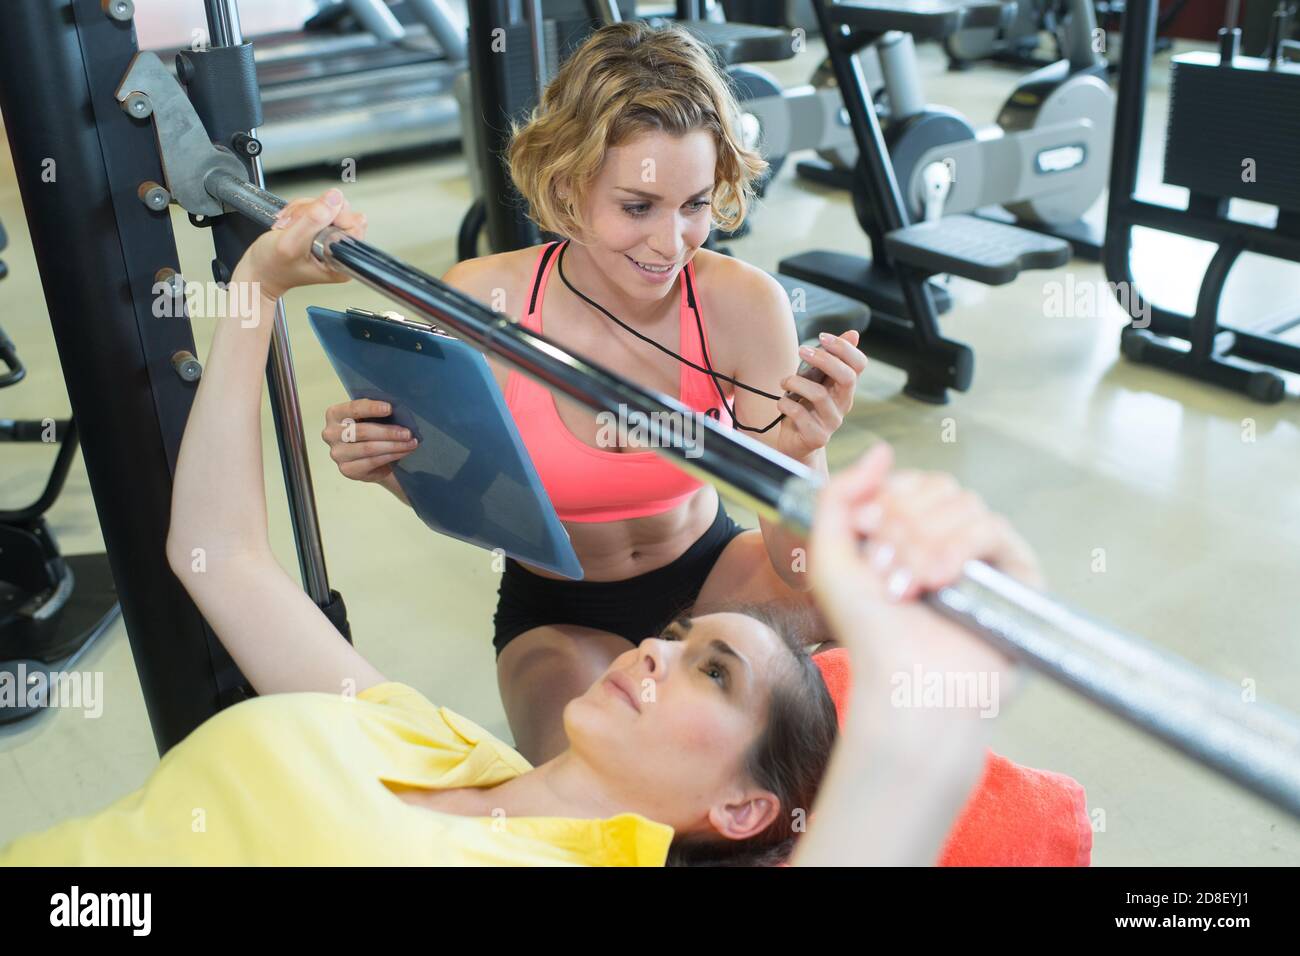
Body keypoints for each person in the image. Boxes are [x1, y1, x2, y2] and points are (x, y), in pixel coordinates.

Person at [0, 190, 1042, 866]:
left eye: (712, 672)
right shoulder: (436, 741)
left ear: (738, 810)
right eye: (682, 640)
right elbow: (215, 557)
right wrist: (253, 293)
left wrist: (929, 701)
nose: (657, 647)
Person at [318, 21, 870, 763]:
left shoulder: (743, 303)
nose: (670, 242)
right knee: (599, 785)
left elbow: (801, 567)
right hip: (560, 606)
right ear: (568, 185)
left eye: (695, 205)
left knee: (852, 638)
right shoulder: (482, 300)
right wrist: (390, 466)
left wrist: (805, 454)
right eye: (638, 207)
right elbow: (457, 498)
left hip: (715, 572)